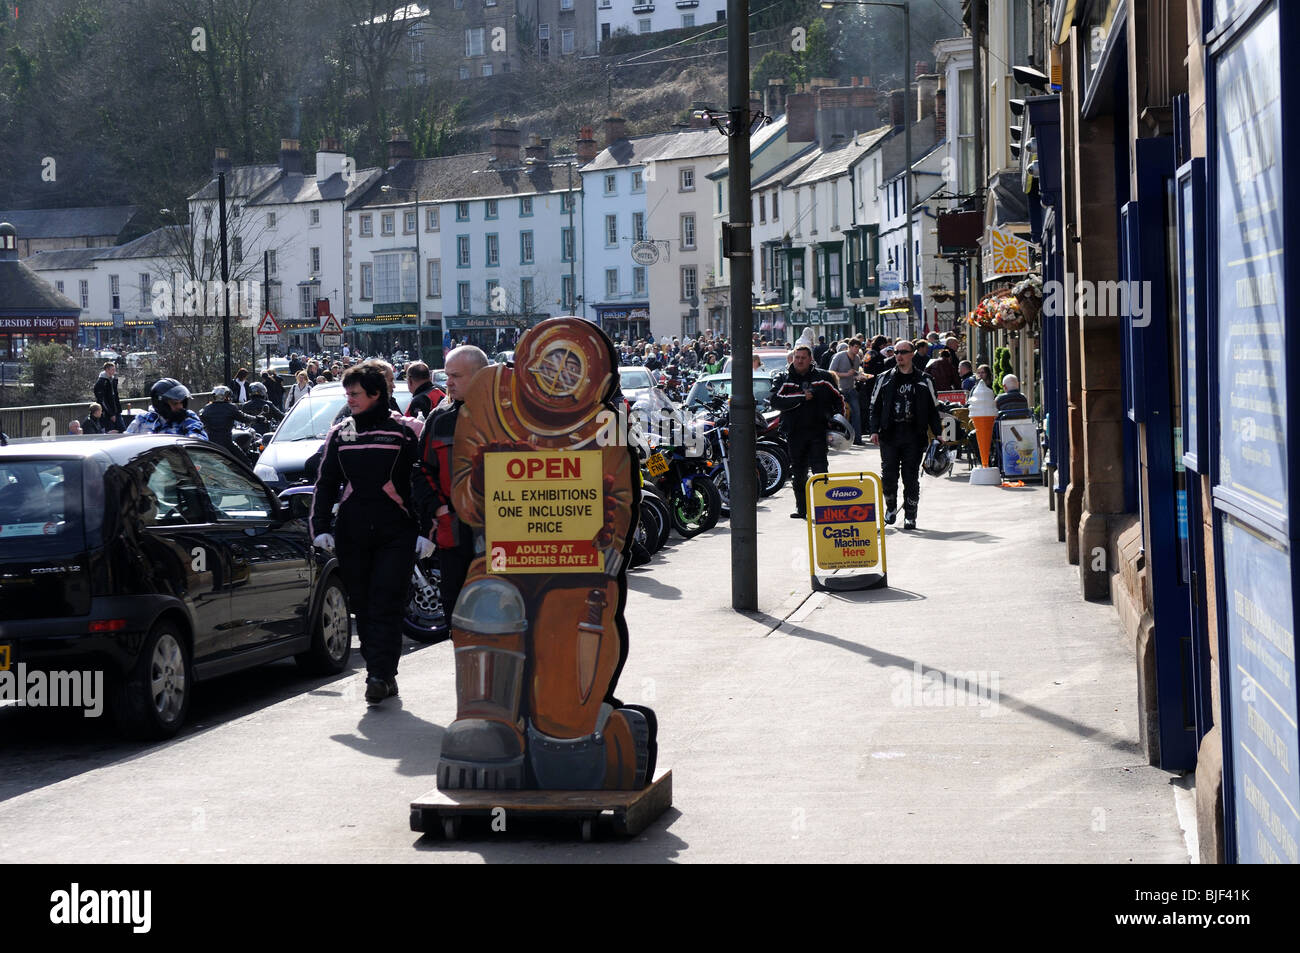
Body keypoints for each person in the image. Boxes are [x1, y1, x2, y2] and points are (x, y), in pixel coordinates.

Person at [310, 363, 423, 705]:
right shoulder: (340, 432)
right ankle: (382, 673)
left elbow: (421, 482)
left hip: (397, 530)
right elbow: (325, 482)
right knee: (362, 604)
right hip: (353, 529)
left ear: (376, 394)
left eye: (355, 394)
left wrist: (427, 529)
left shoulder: (405, 431)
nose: (350, 400)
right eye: (347, 394)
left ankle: (379, 674)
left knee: (386, 600)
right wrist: (320, 528)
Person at [411, 345, 490, 642]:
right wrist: (439, 509)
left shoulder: (507, 416)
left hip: (504, 533)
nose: (449, 383)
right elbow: (420, 469)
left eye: (456, 376)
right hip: (454, 532)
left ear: (481, 376)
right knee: (458, 613)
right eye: (447, 376)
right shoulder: (439, 418)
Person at [866, 340, 942, 530]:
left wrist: (939, 434)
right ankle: (891, 507)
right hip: (889, 434)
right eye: (896, 352)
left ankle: (910, 515)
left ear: (912, 354)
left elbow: (934, 409)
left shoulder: (925, 380)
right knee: (888, 476)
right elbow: (874, 406)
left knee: (910, 477)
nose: (898, 355)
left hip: (914, 435)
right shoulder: (884, 378)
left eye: (903, 352)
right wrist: (874, 430)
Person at [770, 344, 844, 519]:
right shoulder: (783, 377)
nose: (800, 360)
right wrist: (801, 397)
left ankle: (824, 507)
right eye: (797, 357)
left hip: (818, 431)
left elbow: (839, 399)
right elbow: (774, 400)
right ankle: (802, 509)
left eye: (803, 357)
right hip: (794, 433)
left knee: (820, 469)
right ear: (792, 358)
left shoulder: (823, 377)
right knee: (799, 472)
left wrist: (839, 421)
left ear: (811, 359)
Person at [200, 385, 269, 456]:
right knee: (246, 462)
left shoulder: (206, 408)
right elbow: (245, 418)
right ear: (227, 397)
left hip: (210, 444)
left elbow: (200, 421)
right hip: (226, 443)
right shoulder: (230, 408)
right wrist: (257, 418)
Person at [125, 379, 208, 438]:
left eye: (182, 402)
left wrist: (192, 437)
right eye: (175, 403)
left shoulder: (187, 417)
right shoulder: (142, 419)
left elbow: (197, 436)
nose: (180, 407)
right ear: (161, 404)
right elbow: (125, 442)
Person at [829, 338, 866, 445]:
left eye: (858, 347)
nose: (857, 349)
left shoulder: (857, 358)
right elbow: (831, 372)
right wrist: (846, 374)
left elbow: (854, 373)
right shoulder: (839, 356)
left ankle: (857, 439)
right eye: (855, 347)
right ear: (849, 347)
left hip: (851, 388)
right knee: (839, 415)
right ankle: (836, 438)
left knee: (856, 412)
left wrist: (859, 377)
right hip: (839, 390)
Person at [93, 362, 123, 432]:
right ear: (107, 370)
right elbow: (102, 400)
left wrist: (118, 410)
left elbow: (116, 396)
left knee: (122, 431)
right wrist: (111, 414)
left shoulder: (114, 380)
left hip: (116, 412)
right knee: (111, 433)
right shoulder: (101, 382)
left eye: (114, 369)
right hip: (107, 414)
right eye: (112, 370)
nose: (114, 371)